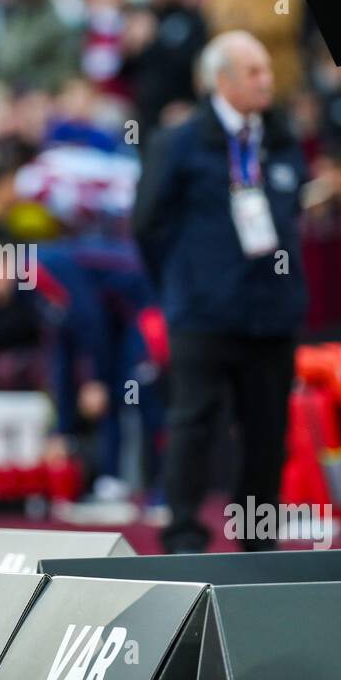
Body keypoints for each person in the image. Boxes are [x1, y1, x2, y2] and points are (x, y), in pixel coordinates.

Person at [133, 30, 307, 553]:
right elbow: (147, 225)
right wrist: (181, 285)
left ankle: (257, 537)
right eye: (254, 72)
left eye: (267, 70)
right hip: (203, 312)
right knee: (194, 422)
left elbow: (293, 204)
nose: (266, 81)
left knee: (266, 428)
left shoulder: (280, 136)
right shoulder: (179, 141)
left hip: (271, 309)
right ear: (222, 81)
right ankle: (183, 532)